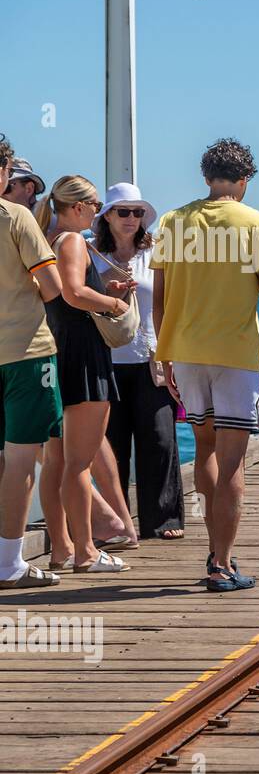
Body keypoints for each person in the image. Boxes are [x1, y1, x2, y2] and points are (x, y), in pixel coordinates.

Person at [152, 138, 259, 592]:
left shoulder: (173, 222)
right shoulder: (258, 224)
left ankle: (215, 549)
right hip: (234, 356)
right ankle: (222, 563)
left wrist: (166, 355)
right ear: (245, 179)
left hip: (187, 354)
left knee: (205, 449)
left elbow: (159, 300)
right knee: (233, 462)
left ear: (206, 177)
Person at [36, 175, 134, 574]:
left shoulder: (46, 237)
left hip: (57, 354)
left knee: (56, 461)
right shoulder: (72, 240)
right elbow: (74, 292)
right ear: (77, 207)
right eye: (95, 204)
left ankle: (61, 549)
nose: (99, 212)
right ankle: (87, 552)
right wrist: (113, 302)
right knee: (79, 463)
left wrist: (101, 285)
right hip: (84, 357)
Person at [92, 182, 184, 542]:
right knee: (112, 446)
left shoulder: (157, 252)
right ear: (107, 216)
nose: (132, 219)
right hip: (106, 360)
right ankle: (113, 522)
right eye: (123, 212)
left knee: (159, 440)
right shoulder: (88, 251)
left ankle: (161, 519)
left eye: (138, 212)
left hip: (151, 358)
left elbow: (173, 301)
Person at [0, 135, 64, 588]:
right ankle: (8, 563)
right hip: (24, 355)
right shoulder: (16, 217)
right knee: (21, 460)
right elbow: (52, 287)